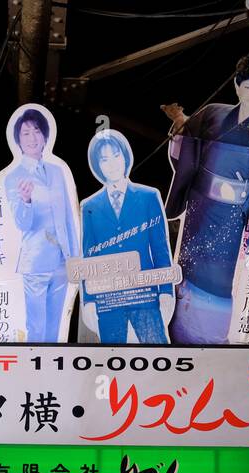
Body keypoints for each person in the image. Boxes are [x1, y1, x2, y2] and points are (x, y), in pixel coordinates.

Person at [163, 58, 249, 345]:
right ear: (237, 87)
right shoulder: (213, 114)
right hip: (201, 208)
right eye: (248, 86)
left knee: (221, 277)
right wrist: (179, 127)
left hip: (235, 216)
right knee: (188, 268)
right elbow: (188, 145)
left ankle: (211, 336)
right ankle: (179, 330)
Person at [80, 129, 174, 344]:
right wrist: (88, 300)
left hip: (145, 294)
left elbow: (160, 247)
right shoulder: (89, 207)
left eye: (116, 156)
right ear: (97, 165)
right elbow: (88, 257)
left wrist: (166, 291)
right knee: (114, 359)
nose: (112, 164)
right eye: (104, 159)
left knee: (156, 355)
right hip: (108, 297)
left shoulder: (148, 197)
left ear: (125, 156)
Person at [3, 108, 80, 342]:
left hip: (61, 260)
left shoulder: (57, 172)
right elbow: (22, 223)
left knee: (56, 327)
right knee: (36, 327)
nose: (33, 138)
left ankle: (51, 370)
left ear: (46, 136)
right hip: (36, 262)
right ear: (18, 141)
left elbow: (68, 216)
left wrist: (75, 257)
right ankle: (33, 371)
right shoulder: (14, 177)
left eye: (37, 131)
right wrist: (25, 201)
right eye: (26, 133)